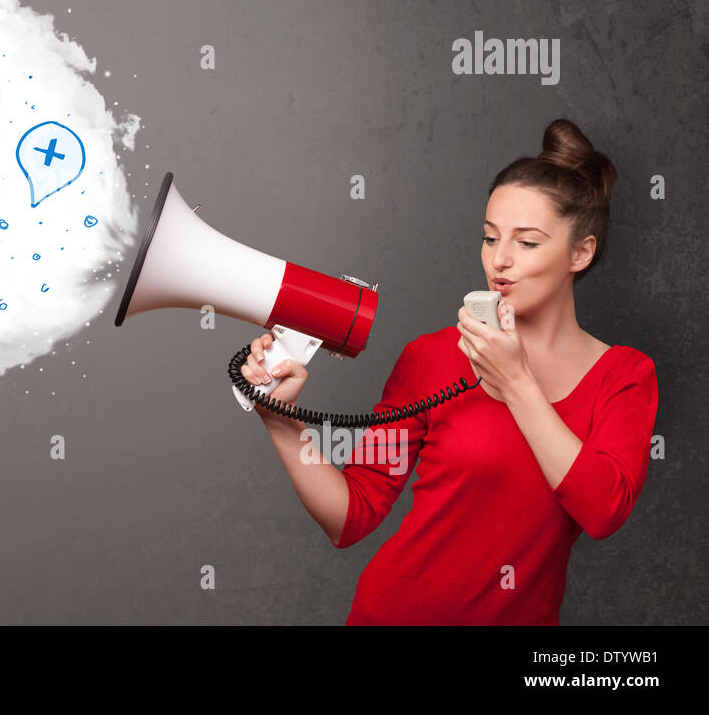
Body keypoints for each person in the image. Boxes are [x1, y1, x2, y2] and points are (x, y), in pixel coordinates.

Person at [240, 118, 658, 624]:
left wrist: (517, 383)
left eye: (527, 243)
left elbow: (603, 510)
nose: (499, 260)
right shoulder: (431, 358)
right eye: (489, 238)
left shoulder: (625, 376)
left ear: (580, 252)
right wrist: (281, 421)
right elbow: (350, 517)